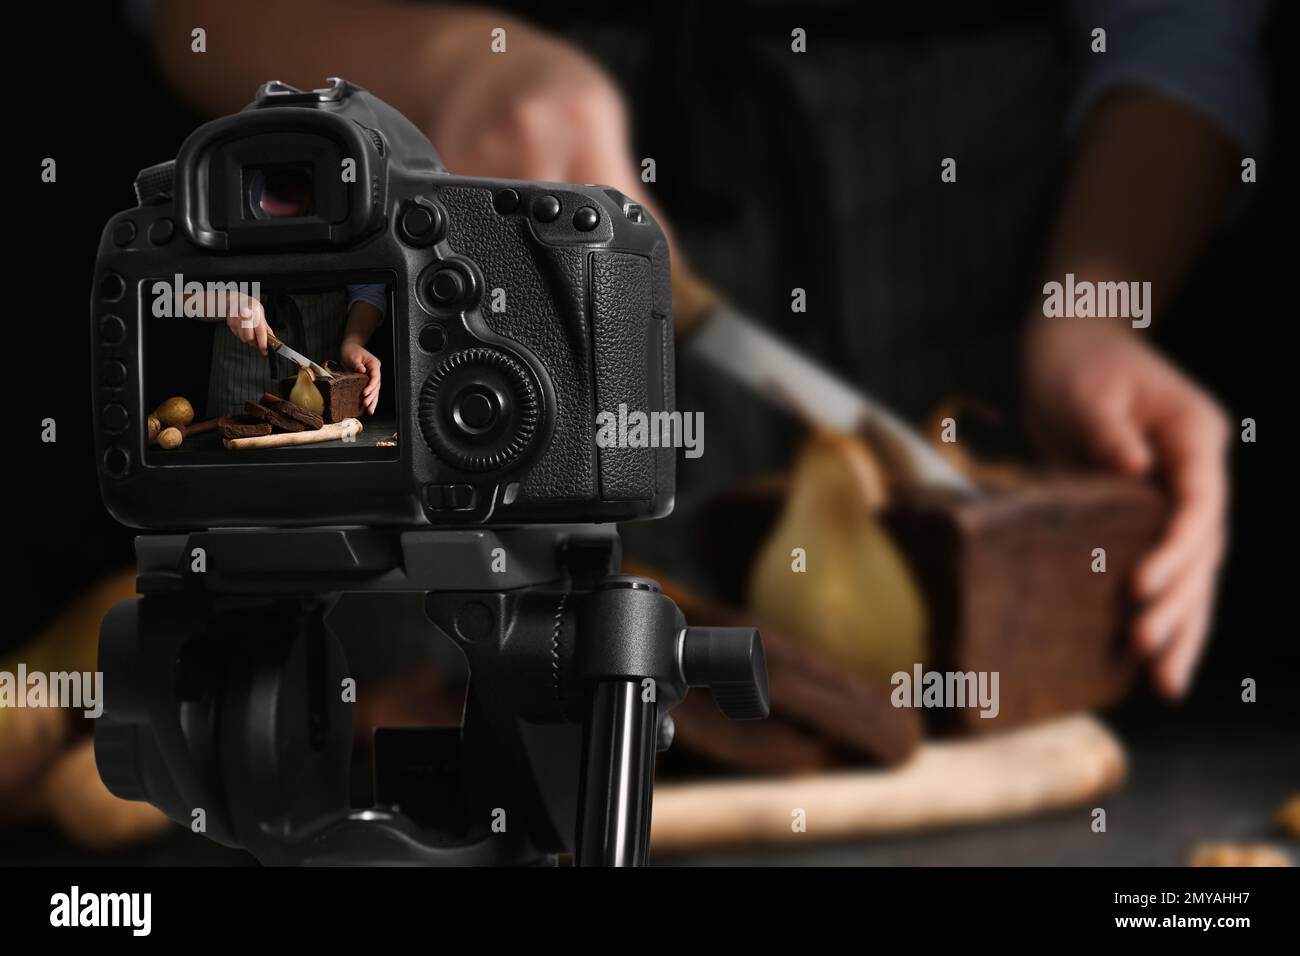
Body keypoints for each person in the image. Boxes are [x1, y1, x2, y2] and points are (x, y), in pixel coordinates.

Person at [146, 0, 1267, 699]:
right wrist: (448, 66)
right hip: (482, 201)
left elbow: (1182, 25)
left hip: (963, 239)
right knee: (453, 712)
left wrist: (1093, 311)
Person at [196, 283, 386, 418]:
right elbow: (179, 291)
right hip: (238, 359)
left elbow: (368, 288)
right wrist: (229, 302)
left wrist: (353, 341)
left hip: (328, 343)